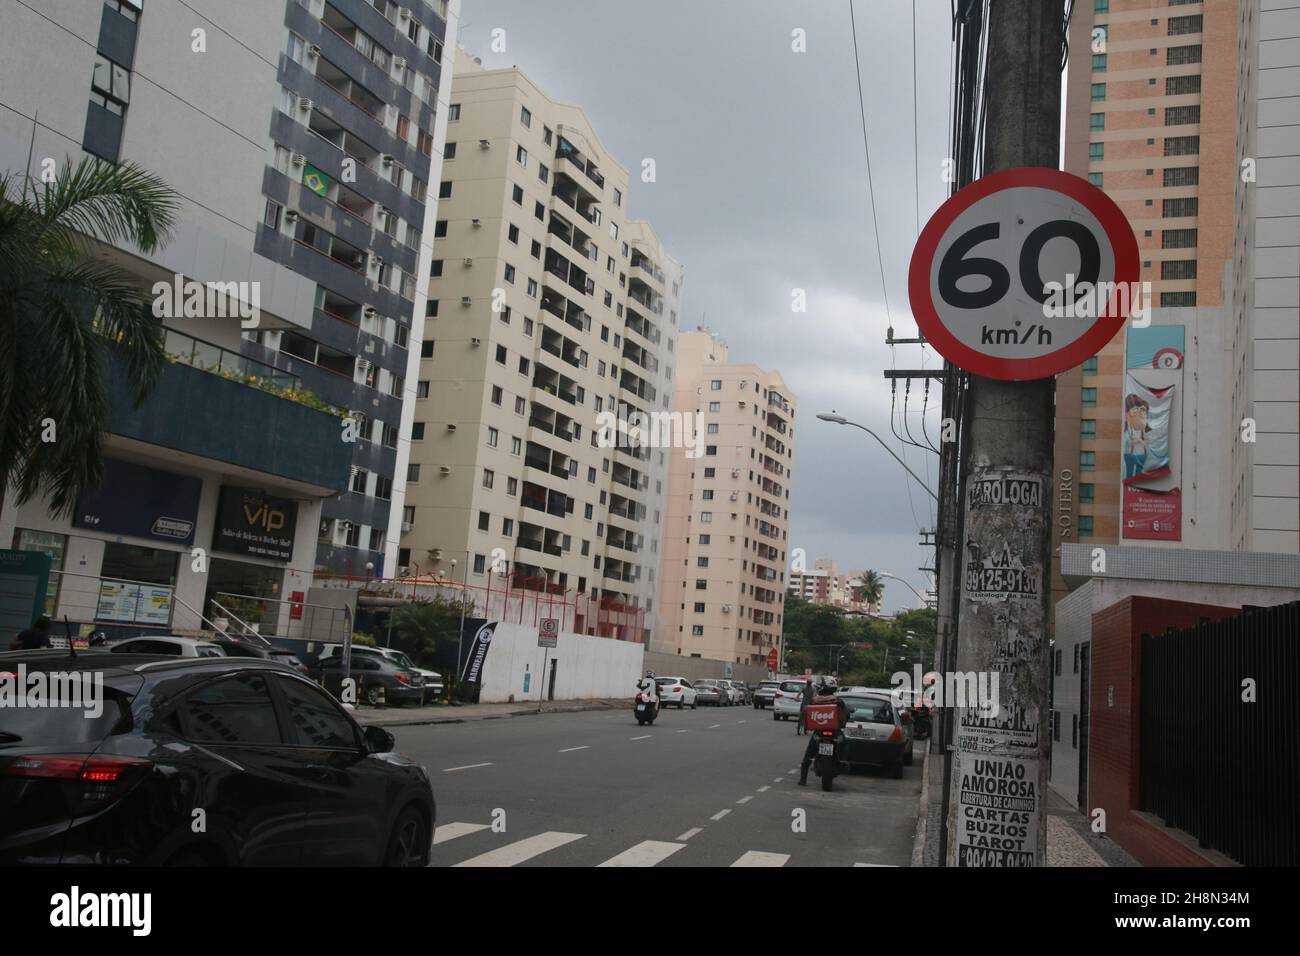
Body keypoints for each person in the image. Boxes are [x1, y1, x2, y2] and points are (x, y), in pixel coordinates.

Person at [798, 680, 850, 786]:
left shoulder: (815, 701)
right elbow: (847, 715)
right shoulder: (838, 700)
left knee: (809, 753)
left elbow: (806, 713)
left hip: (819, 732)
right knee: (845, 743)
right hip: (835, 732)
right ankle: (843, 762)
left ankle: (803, 779)